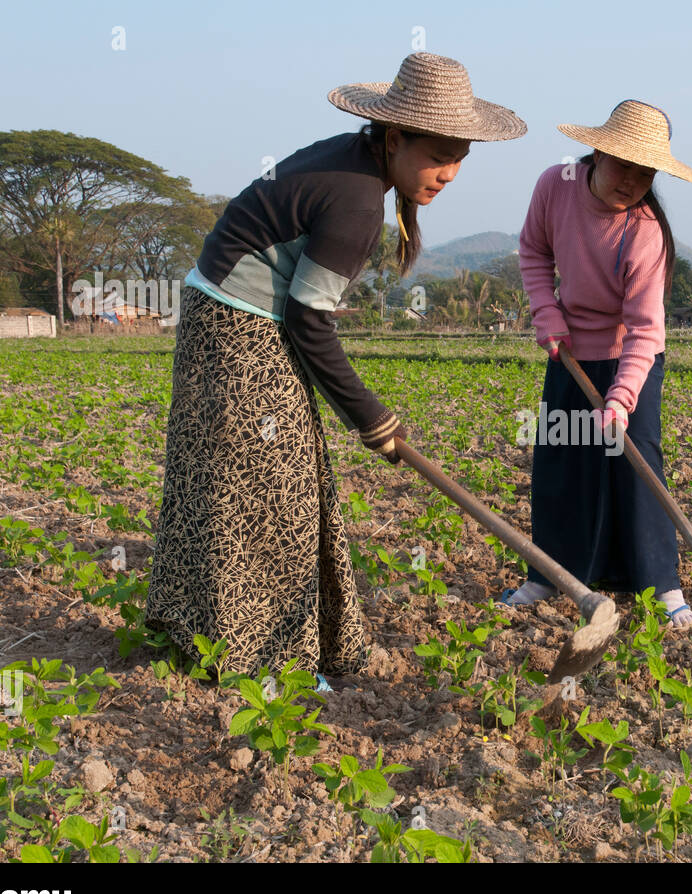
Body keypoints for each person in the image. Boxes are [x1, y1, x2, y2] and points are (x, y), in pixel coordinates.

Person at [145, 52, 525, 679]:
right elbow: (309, 320)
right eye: (439, 154)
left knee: (264, 479)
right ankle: (264, 662)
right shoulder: (356, 201)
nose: (450, 173)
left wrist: (365, 415)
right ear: (395, 137)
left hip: (223, 314)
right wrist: (372, 417)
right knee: (273, 492)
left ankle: (218, 638)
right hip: (236, 326)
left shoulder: (352, 158)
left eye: (461, 156)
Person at [504, 100, 692, 628]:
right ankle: (548, 576)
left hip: (629, 358)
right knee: (561, 462)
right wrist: (546, 312)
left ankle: (661, 584)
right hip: (568, 350)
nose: (632, 180)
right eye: (623, 164)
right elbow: (533, 250)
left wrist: (620, 398)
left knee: (636, 465)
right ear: (596, 153)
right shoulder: (555, 185)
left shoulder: (645, 232)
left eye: (646, 171)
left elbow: (645, 330)